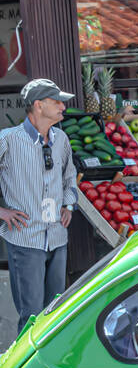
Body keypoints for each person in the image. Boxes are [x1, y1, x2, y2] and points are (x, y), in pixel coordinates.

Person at [0, 79, 78, 331]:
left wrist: (69, 204)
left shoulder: (61, 140)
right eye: (56, 102)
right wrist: (1, 212)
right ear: (38, 105)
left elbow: (69, 177)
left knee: (55, 314)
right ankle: (27, 367)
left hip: (57, 238)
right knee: (31, 315)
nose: (62, 107)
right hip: (25, 240)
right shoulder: (8, 140)